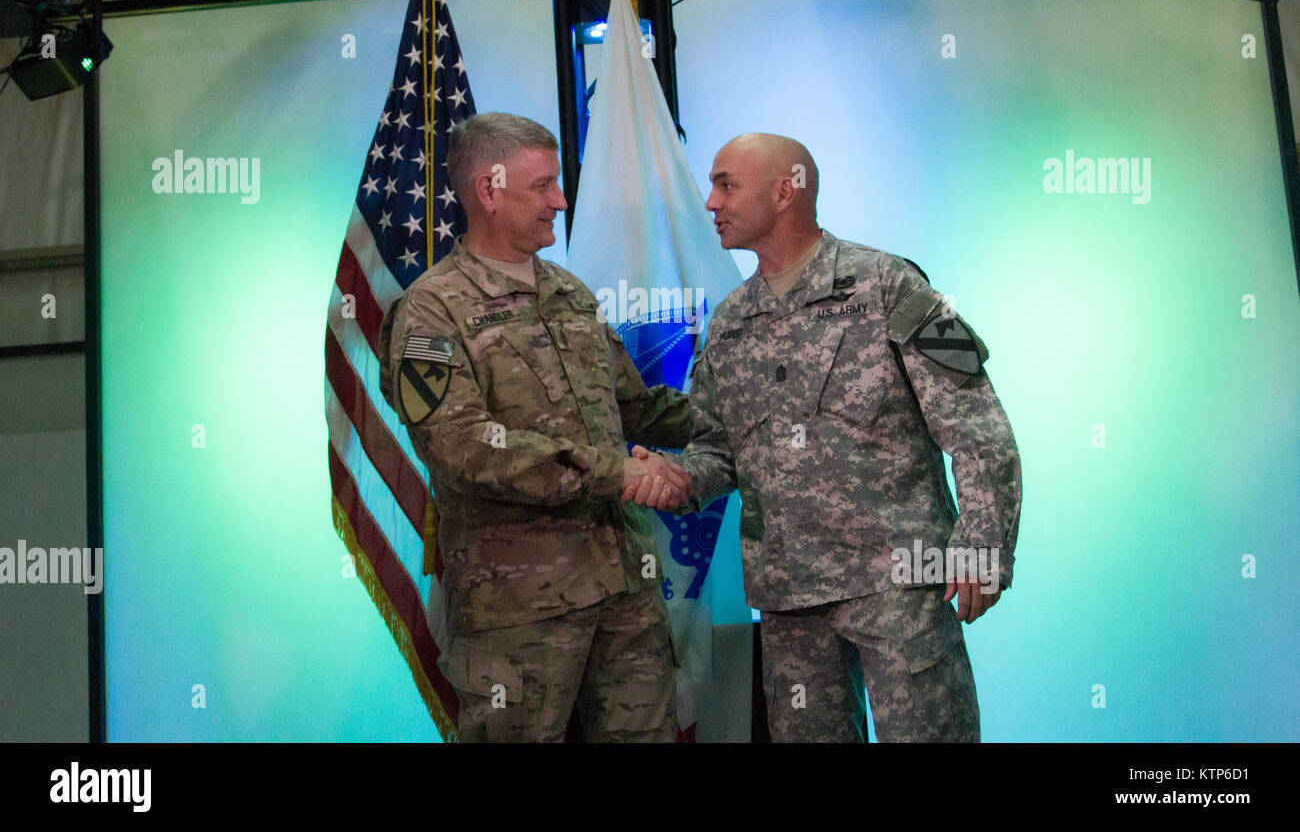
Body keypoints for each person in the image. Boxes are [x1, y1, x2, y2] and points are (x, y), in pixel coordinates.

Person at [660, 132, 1022, 742]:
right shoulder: (729, 322)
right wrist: (680, 479)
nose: (710, 202)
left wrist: (983, 547)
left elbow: (978, 428)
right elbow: (719, 450)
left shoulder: (887, 287)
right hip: (789, 598)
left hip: (899, 586)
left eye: (726, 184)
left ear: (784, 192)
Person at [378, 112, 694, 742]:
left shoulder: (570, 293)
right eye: (543, 185)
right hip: (519, 612)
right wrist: (618, 471)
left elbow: (631, 408)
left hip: (624, 586)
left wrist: (747, 410)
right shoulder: (430, 312)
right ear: (490, 192)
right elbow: (463, 448)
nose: (560, 199)